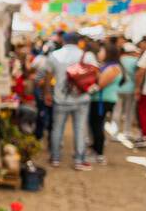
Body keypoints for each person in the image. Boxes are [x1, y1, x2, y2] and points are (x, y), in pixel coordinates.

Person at [36, 32, 98, 170]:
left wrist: (47, 93)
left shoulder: (55, 55)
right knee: (80, 129)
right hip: (82, 98)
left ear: (64, 41)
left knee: (57, 128)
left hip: (60, 97)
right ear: (79, 41)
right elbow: (95, 73)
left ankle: (55, 158)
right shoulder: (87, 56)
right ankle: (79, 160)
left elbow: (47, 75)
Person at [87, 40, 124, 164]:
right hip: (100, 100)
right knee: (95, 125)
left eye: (102, 51)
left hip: (103, 100)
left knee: (97, 126)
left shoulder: (112, 68)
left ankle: (99, 153)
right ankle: (95, 149)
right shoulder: (107, 66)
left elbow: (101, 83)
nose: (99, 53)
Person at [114, 41, 139, 137]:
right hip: (131, 89)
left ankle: (114, 133)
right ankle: (127, 132)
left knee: (117, 111)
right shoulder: (135, 61)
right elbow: (136, 76)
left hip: (118, 87)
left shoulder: (118, 60)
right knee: (129, 111)